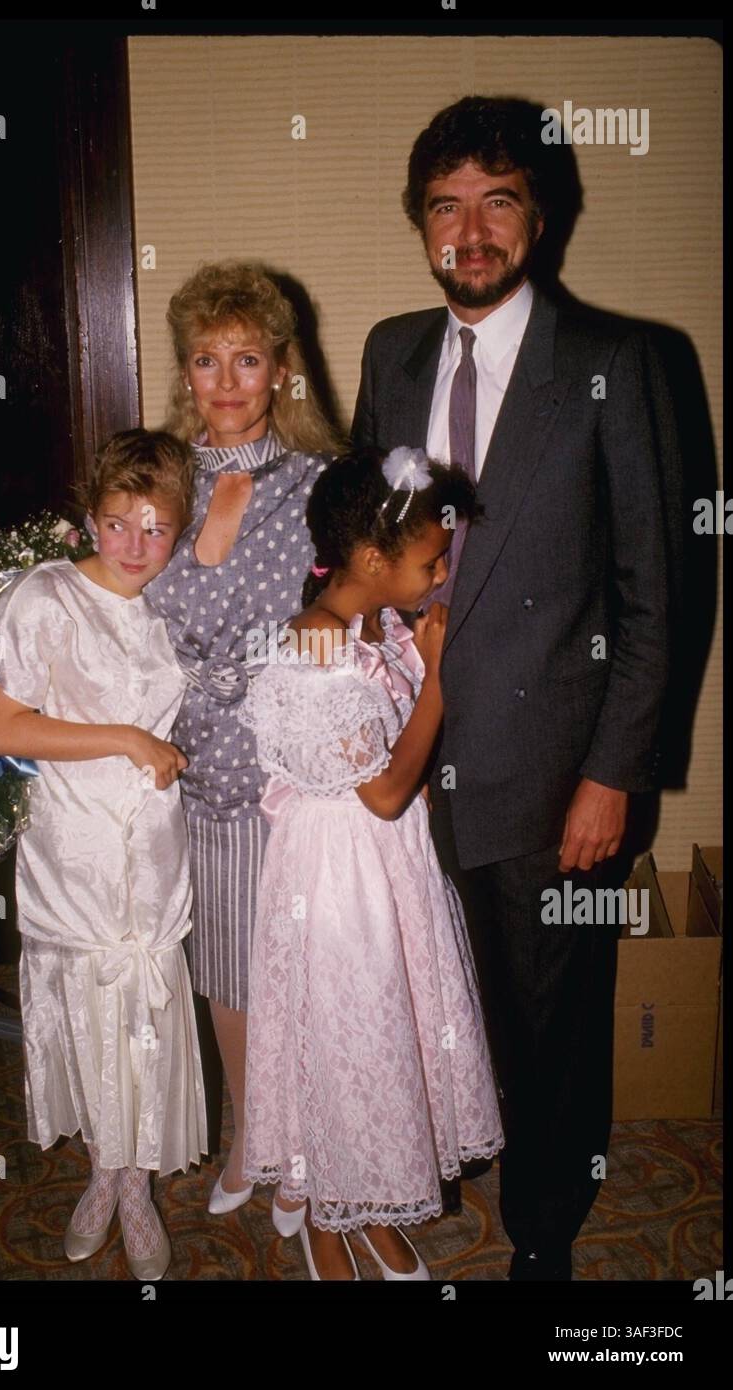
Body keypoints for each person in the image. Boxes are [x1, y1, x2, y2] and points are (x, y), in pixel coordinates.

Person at [352, 95, 679, 1279]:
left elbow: (654, 593)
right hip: (406, 754)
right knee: (441, 993)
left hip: (549, 771)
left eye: (496, 200)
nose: (469, 230)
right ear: (420, 224)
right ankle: (456, 1161)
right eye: (444, 205)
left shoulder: (616, 363)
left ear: (537, 217)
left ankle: (542, 1228)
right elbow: (369, 539)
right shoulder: (390, 351)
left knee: (549, 1012)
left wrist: (612, 774)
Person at [237, 446, 504, 1280]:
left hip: (383, 867)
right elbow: (386, 791)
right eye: (428, 561)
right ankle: (325, 1211)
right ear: (372, 559)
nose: (437, 576)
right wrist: (435, 677)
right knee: (338, 1034)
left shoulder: (365, 626)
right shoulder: (312, 654)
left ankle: (371, 1201)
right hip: (337, 879)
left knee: (383, 1041)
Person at [0, 431, 207, 1281]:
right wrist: (125, 737)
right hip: (70, 850)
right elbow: (5, 729)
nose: (136, 547)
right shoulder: (44, 598)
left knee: (143, 1022)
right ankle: (99, 1176)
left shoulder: (167, 612)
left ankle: (136, 1182)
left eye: (157, 530)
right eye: (119, 524)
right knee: (87, 1016)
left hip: (150, 851)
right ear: (90, 520)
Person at [144, 261, 342, 1221]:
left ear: (281, 372)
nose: (226, 382)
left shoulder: (321, 487)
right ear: (187, 374)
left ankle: (302, 1151)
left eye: (248, 359)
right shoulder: (161, 487)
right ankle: (244, 1141)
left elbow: (373, 615)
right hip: (191, 778)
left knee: (301, 974)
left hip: (292, 780)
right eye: (207, 361)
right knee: (225, 974)